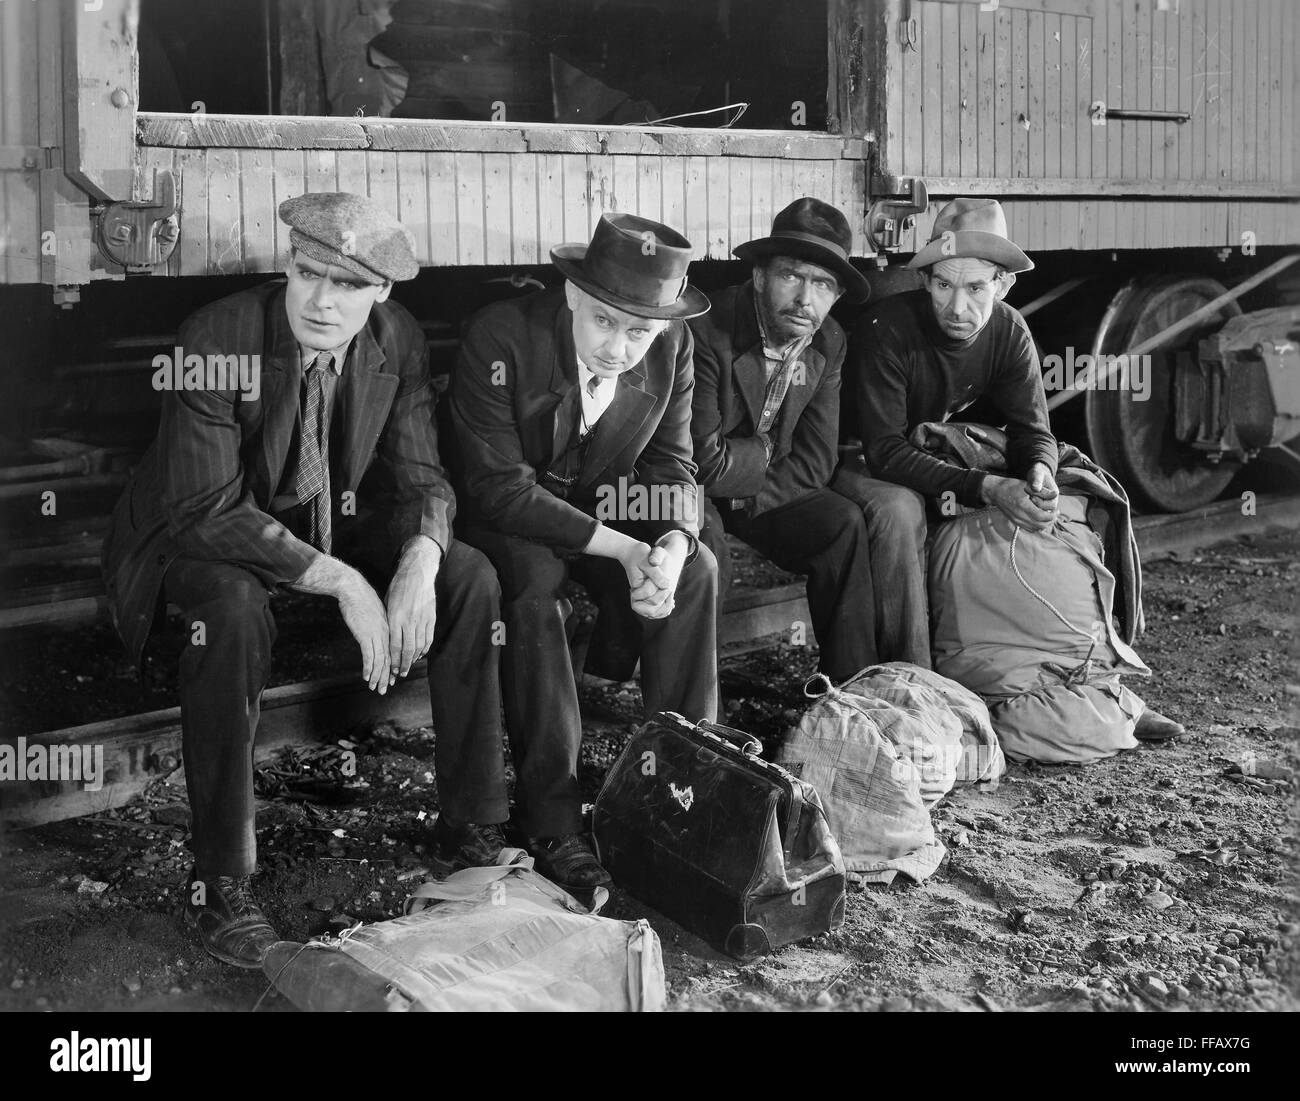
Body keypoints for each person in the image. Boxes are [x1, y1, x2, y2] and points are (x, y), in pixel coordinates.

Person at [102, 192, 511, 968]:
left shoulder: (399, 339)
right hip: (192, 543)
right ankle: (222, 879)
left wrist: (421, 557)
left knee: (469, 575)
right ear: (286, 264)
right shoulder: (218, 333)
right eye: (306, 272)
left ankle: (473, 824)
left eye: (349, 284)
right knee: (230, 603)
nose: (322, 301)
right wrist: (349, 586)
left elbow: (424, 477)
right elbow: (203, 510)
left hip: (322, 526)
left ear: (382, 293)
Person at [842, 196, 1184, 739]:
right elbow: (883, 451)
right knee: (901, 512)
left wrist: (1041, 472)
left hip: (932, 450)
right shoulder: (888, 327)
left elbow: (1033, 432)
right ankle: (916, 697)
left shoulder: (1008, 329)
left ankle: (1100, 683)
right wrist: (987, 487)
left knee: (1073, 493)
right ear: (926, 280)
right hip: (860, 459)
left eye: (976, 288)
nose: (958, 306)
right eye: (943, 286)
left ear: (1003, 286)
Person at [451, 212, 719, 891]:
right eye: (604, 321)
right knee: (537, 586)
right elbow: (499, 489)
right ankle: (555, 821)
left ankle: (682, 795)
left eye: (640, 330)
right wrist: (623, 547)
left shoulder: (674, 345)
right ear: (572, 294)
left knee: (697, 571)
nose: (620, 348)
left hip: (607, 513)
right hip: (504, 517)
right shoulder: (500, 334)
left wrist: (671, 542)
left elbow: (675, 467)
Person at [689, 197, 878, 682]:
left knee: (842, 523)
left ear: (835, 296)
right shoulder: (708, 331)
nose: (805, 298)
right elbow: (701, 462)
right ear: (759, 277)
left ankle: (849, 696)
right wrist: (768, 452)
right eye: (791, 276)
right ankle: (705, 722)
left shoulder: (828, 339)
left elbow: (816, 462)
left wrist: (748, 494)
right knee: (705, 549)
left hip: (757, 492)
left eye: (822, 285)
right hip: (690, 487)